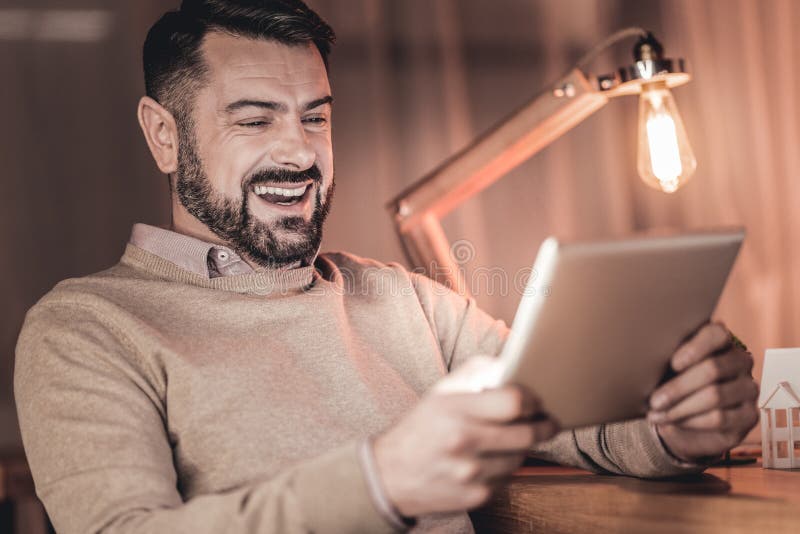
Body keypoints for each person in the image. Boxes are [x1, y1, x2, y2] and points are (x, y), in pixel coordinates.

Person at [14, 1, 759, 533]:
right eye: (253, 119)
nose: (300, 151)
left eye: (316, 115)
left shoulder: (401, 300)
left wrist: (675, 425)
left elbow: (577, 418)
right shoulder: (86, 328)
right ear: (163, 137)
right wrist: (380, 483)